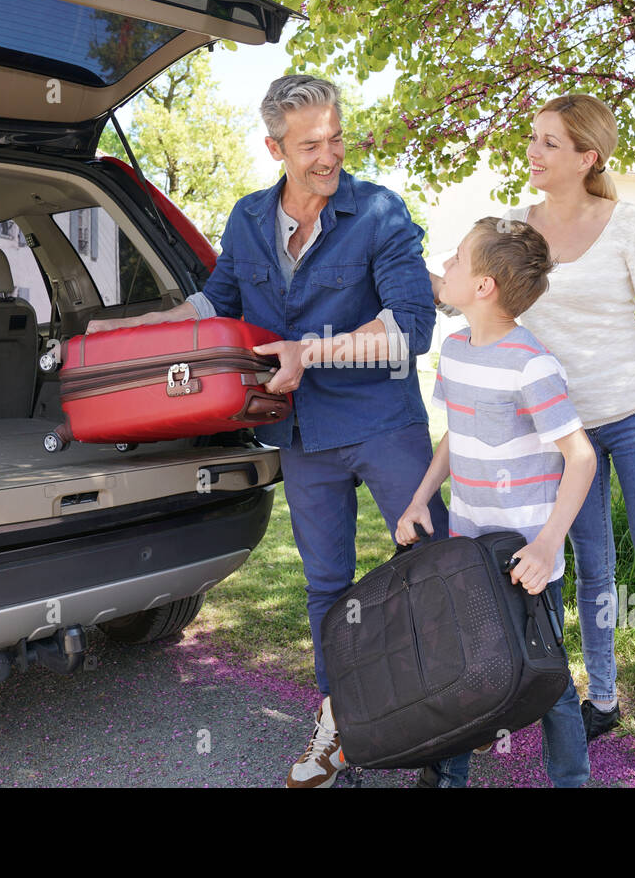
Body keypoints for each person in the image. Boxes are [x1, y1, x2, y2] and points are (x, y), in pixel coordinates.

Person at [88, 75, 448, 788]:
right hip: (302, 434)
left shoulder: (379, 211)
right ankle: (336, 728)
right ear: (274, 147)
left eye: (336, 136)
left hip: (383, 424)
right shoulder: (248, 219)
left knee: (433, 573)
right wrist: (131, 329)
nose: (329, 154)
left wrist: (309, 351)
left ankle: (446, 737)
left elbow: (410, 329)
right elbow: (213, 306)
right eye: (310, 143)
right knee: (325, 587)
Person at [431, 94, 635, 785]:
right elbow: (475, 290)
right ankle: (603, 698)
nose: (532, 151)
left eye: (550, 142)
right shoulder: (516, 228)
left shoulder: (624, 224)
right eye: (532, 138)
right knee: (589, 569)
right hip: (563, 427)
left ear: (588, 156)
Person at [397, 216, 598, 787]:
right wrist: (419, 501)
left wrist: (546, 543)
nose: (448, 264)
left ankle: (571, 780)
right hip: (469, 546)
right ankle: (448, 778)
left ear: (482, 286)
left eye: (458, 258)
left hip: (526, 559)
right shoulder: (455, 349)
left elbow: (580, 457)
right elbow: (455, 436)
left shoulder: (532, 364)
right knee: (463, 668)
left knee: (546, 678)